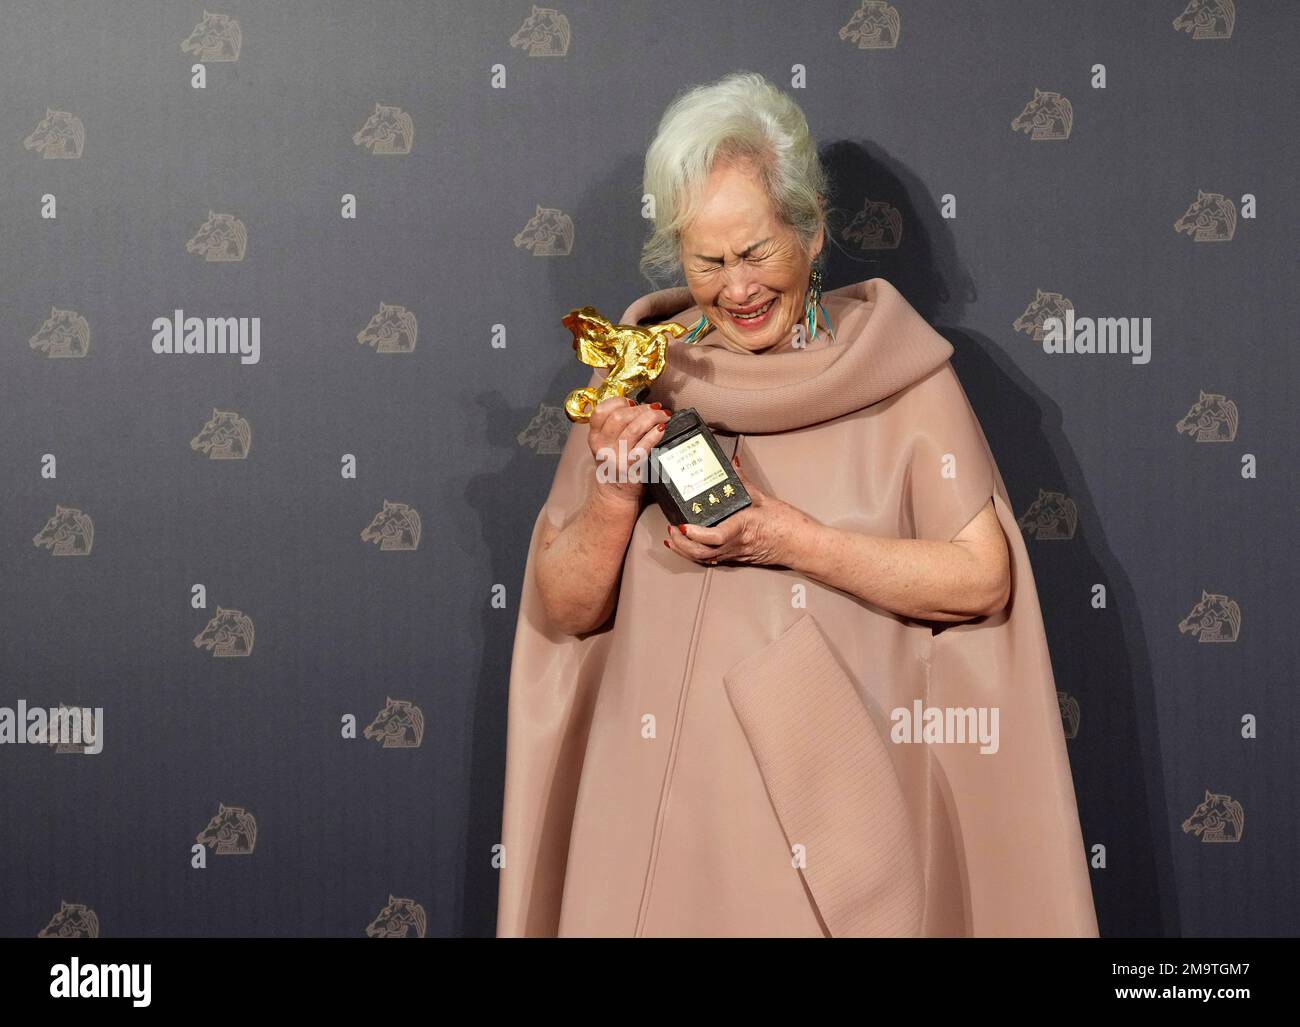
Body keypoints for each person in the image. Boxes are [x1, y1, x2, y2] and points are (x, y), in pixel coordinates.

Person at [498, 71, 1098, 937]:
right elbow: (564, 606)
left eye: (755, 254)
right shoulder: (636, 374)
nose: (735, 288)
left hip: (830, 831)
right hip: (655, 821)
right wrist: (613, 493)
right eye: (708, 262)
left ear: (812, 234)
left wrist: (788, 538)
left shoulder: (899, 375)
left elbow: (980, 579)